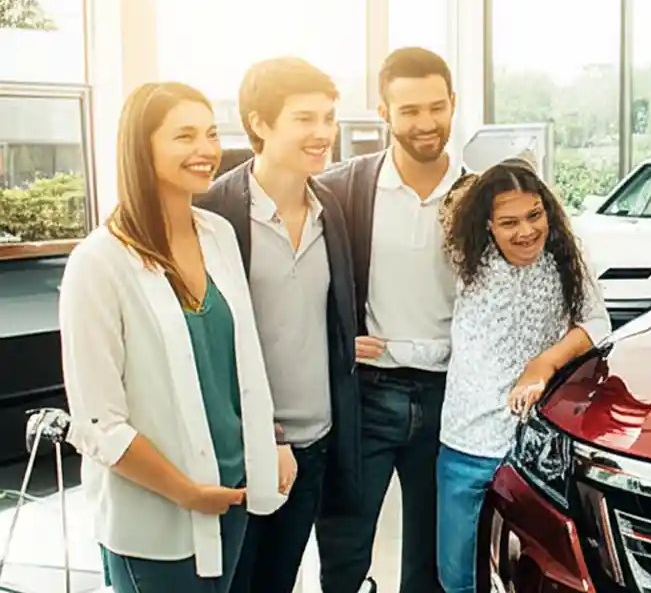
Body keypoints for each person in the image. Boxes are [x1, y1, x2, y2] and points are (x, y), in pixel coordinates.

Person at [59, 82, 295, 592]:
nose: (206, 149)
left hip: (232, 493)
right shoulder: (98, 262)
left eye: (211, 133)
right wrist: (187, 492)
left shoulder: (217, 234)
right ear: (141, 147)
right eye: (184, 136)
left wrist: (271, 441)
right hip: (157, 518)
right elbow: (99, 423)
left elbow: (242, 363)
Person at [196, 57, 363, 593]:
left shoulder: (329, 208)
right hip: (241, 449)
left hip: (313, 443)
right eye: (305, 118)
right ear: (260, 123)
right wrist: (262, 435)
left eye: (329, 118)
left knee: (278, 584)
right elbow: (208, 344)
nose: (323, 134)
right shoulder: (214, 212)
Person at [315, 47, 470, 593]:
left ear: (454, 103)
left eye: (436, 107)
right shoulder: (340, 190)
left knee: (432, 558)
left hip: (453, 397)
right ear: (383, 112)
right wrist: (333, 341)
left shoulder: (484, 194)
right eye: (408, 110)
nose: (425, 123)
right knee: (344, 548)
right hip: (369, 394)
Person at [437, 158, 609, 593]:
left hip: (532, 445)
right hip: (467, 441)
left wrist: (543, 364)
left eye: (534, 215)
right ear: (489, 225)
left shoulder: (565, 258)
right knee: (455, 577)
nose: (526, 231)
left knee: (530, 578)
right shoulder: (467, 258)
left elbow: (597, 322)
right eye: (509, 221)